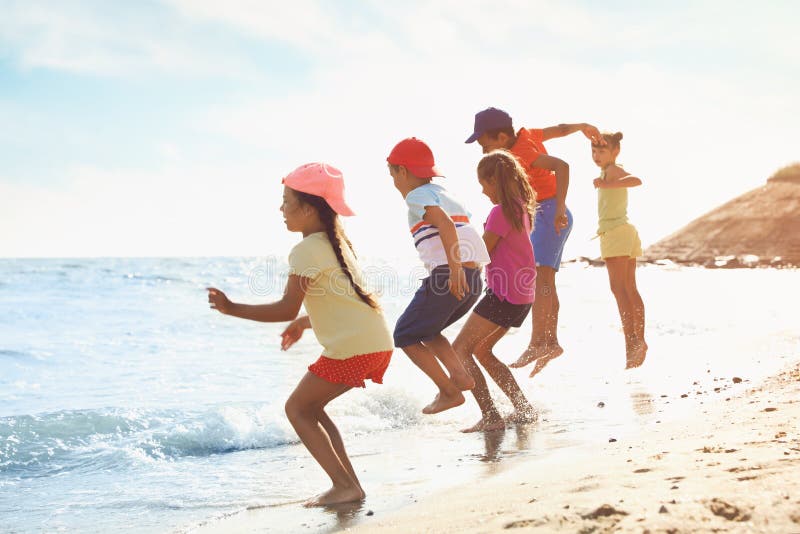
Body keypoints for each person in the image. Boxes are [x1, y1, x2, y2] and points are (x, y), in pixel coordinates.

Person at [206, 163, 394, 507]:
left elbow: (284, 308)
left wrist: (232, 308)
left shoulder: (306, 250)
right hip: (375, 343)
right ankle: (348, 485)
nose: (281, 209)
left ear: (308, 208)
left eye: (286, 201)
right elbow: (342, 302)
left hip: (354, 348)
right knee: (312, 408)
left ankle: (345, 486)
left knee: (297, 409)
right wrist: (305, 324)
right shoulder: (334, 243)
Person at [466, 107, 604, 378]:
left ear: (503, 137)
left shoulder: (521, 153)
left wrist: (561, 207)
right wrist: (581, 125)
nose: (484, 152)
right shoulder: (527, 136)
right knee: (544, 279)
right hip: (547, 212)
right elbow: (559, 129)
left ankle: (540, 342)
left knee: (541, 278)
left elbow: (561, 166)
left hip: (550, 212)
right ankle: (548, 342)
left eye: (486, 145)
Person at [387, 137, 490, 414]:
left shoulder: (416, 196)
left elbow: (446, 225)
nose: (393, 181)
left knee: (404, 334)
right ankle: (459, 376)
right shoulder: (444, 192)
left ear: (403, 172)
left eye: (392, 173)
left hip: (449, 275)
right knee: (429, 331)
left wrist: (453, 272)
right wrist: (461, 272)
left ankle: (448, 391)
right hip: (473, 278)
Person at [453, 150, 538, 432]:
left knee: (460, 349)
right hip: (522, 295)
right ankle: (523, 408)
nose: (482, 190)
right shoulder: (520, 207)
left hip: (504, 294)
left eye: (484, 184)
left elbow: (481, 253)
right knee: (482, 350)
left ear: (495, 180)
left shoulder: (501, 211)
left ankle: (490, 415)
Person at [591, 132, 647, 368]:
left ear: (615, 152)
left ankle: (634, 342)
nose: (596, 156)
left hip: (615, 233)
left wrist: (609, 184)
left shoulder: (612, 171)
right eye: (593, 152)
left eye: (602, 151)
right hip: (622, 232)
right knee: (627, 288)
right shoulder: (606, 172)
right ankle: (635, 344)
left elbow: (636, 180)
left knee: (619, 289)